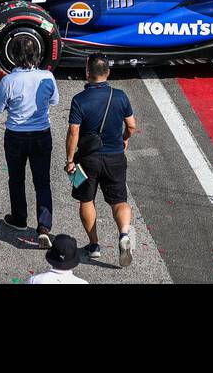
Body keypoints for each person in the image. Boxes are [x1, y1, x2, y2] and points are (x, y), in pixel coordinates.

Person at [64, 55, 137, 266]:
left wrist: (70, 160)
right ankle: (124, 234)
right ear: (108, 72)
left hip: (87, 159)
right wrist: (124, 139)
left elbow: (73, 131)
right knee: (119, 201)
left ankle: (94, 245)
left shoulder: (79, 100)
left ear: (87, 72)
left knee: (86, 200)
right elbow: (131, 125)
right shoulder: (120, 96)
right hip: (115, 157)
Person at [0, 39, 59, 248]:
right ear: (36, 54)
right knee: (42, 182)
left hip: (16, 135)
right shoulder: (48, 77)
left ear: (14, 55)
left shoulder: (9, 81)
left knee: (17, 179)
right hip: (41, 134)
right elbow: (54, 101)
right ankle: (44, 227)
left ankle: (20, 218)